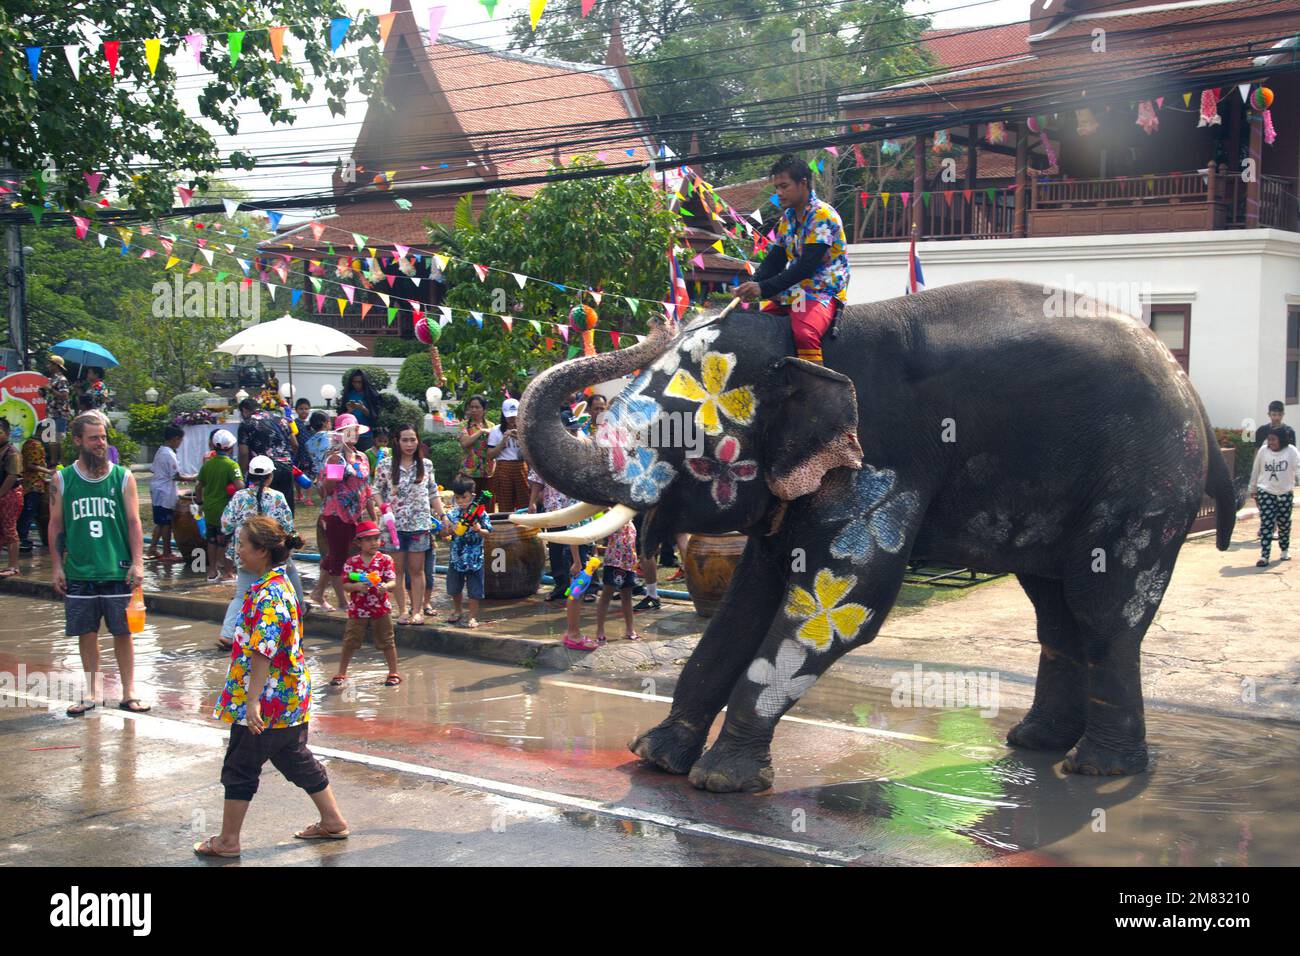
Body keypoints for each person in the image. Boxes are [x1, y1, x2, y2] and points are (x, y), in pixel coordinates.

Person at [195, 516, 348, 858]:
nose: (237, 551)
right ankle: (333, 820)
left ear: (262, 551)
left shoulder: (268, 595)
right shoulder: (279, 586)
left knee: (239, 767)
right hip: (289, 696)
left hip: (267, 699)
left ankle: (228, 841)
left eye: (243, 546)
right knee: (293, 757)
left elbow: (263, 652)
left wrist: (252, 705)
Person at [48, 413, 147, 715]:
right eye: (93, 438)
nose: (100, 443)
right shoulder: (62, 479)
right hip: (79, 570)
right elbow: (55, 525)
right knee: (86, 633)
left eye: (103, 437)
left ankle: (129, 691)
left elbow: (134, 522)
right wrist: (56, 566)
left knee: (123, 633)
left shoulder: (123, 477)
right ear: (78, 440)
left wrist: (138, 563)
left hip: (117, 569)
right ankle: (92, 692)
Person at [735, 153, 850, 366]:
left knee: (804, 334)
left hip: (823, 290)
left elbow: (806, 267)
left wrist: (763, 288)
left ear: (803, 183)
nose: (779, 193)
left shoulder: (822, 215)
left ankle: (816, 391)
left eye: (784, 186)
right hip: (795, 292)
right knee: (760, 326)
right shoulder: (787, 217)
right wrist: (752, 284)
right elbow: (776, 259)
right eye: (776, 188)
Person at [218, 455, 305, 651]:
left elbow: (225, 525)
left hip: (245, 555)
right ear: (270, 476)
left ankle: (227, 634)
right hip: (274, 555)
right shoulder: (277, 497)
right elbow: (288, 526)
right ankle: (300, 613)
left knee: (241, 595)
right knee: (289, 580)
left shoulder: (239, 497)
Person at [373, 424, 445, 625]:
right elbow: (375, 489)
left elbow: (433, 493)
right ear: (397, 441)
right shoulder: (386, 465)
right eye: (405, 440)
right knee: (396, 571)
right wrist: (383, 507)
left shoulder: (426, 464)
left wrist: (443, 515)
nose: (409, 444)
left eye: (413, 439)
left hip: (419, 525)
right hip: (393, 527)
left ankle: (417, 610)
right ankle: (402, 610)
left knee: (417, 569)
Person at [313, 414, 377, 612]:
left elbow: (366, 487)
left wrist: (372, 513)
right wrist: (335, 470)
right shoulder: (335, 457)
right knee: (338, 557)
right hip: (336, 513)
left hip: (355, 513)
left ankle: (318, 591)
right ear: (340, 434)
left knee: (336, 554)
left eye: (355, 430)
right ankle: (341, 600)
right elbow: (329, 488)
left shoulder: (362, 457)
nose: (353, 434)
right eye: (348, 430)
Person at [332, 520, 400, 686]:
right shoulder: (352, 562)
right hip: (358, 609)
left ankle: (393, 672)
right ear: (359, 543)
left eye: (376, 538)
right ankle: (341, 673)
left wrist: (385, 587)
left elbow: (393, 581)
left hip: (381, 608)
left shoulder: (385, 560)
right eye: (369, 540)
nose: (374, 543)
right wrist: (357, 586)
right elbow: (346, 584)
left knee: (387, 640)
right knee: (350, 640)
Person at [441, 476, 491, 628]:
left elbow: (488, 532)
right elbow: (443, 534)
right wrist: (448, 529)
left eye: (464, 497)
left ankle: (472, 616)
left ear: (473, 496)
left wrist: (478, 529)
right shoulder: (452, 515)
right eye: (458, 498)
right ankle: (457, 610)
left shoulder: (480, 513)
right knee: (454, 587)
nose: (461, 501)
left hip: (475, 558)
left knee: (474, 589)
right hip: (456, 557)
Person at [236, 398, 298, 515]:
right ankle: (287, 531)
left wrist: (242, 473)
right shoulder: (282, 419)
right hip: (285, 467)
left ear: (244, 410)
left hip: (262, 471)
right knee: (285, 506)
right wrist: (287, 459)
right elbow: (295, 444)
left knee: (265, 509)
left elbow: (243, 453)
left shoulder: (246, 424)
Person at [196, 429, 242, 583]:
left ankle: (212, 571)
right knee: (226, 541)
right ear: (229, 448)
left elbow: (198, 486)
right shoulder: (231, 465)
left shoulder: (207, 465)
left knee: (212, 540)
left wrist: (200, 503)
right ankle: (228, 572)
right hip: (225, 510)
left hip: (209, 509)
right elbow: (240, 487)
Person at [1250, 427, 1298, 567]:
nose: (1270, 442)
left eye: (1273, 439)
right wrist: (1252, 488)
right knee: (1267, 522)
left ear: (1281, 440)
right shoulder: (1263, 451)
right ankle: (1264, 556)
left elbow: (1298, 467)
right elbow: (1256, 469)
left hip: (1285, 492)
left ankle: (1284, 550)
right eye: (1268, 439)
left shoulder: (1291, 451)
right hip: (1266, 490)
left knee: (1284, 523)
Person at [148, 425, 193, 562]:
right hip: (164, 491)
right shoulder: (169, 454)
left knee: (160, 522)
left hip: (158, 489)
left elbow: (153, 470)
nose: (180, 443)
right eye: (180, 440)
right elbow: (176, 476)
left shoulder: (161, 451)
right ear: (175, 439)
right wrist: (196, 477)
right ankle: (167, 552)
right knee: (166, 522)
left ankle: (153, 548)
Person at [595, 519, 641, 646]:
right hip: (613, 563)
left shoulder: (631, 522)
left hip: (629, 564)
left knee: (627, 596)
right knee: (607, 594)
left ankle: (630, 629)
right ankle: (600, 631)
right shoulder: (612, 519)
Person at [485, 398, 529, 514]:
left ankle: (527, 528)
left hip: (521, 466)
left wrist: (519, 439)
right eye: (509, 417)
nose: (512, 420)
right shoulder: (496, 430)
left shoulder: (525, 428)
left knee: (525, 500)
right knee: (505, 502)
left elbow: (531, 453)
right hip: (503, 467)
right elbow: (490, 455)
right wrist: (503, 442)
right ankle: (506, 527)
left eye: (514, 417)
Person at [18, 433, 50, 553]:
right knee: (29, 514)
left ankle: (22, 539)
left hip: (30, 484)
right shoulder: (35, 445)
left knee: (29, 514)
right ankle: (22, 539)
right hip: (34, 485)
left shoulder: (27, 443)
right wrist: (49, 471)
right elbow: (31, 465)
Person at [0, 419, 24, 577]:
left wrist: (0, 494)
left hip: (9, 494)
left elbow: (12, 476)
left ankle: (14, 566)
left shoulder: (11, 452)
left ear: (7, 433)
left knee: (9, 529)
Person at [456, 395, 494, 493]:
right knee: (470, 504)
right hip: (469, 473)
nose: (473, 410)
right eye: (471, 407)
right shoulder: (463, 425)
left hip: (487, 472)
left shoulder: (491, 426)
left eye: (477, 407)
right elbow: (465, 443)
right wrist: (481, 432)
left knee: (486, 503)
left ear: (484, 409)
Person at [41, 354, 72, 460]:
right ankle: (54, 463)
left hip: (59, 413)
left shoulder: (62, 379)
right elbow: (50, 395)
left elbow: (64, 396)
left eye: (50, 363)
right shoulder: (51, 379)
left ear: (56, 365)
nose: (48, 366)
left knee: (59, 439)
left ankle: (62, 463)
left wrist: (50, 389)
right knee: (50, 440)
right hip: (50, 412)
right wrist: (43, 391)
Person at [342, 370, 381, 452]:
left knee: (365, 459)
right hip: (350, 435)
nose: (357, 384)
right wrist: (349, 411)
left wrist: (362, 408)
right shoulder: (348, 394)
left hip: (366, 435)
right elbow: (342, 418)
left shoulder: (371, 395)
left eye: (360, 382)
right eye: (354, 382)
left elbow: (375, 417)